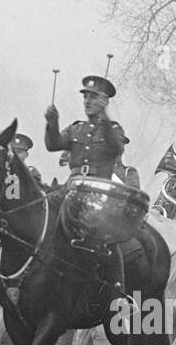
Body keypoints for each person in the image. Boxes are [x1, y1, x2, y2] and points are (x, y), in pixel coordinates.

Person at [44, 75, 129, 306]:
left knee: (104, 234)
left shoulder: (113, 129)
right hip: (72, 188)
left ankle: (117, 287)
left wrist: (104, 119)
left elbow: (116, 148)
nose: (87, 101)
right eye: (85, 96)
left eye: (93, 97)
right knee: (40, 212)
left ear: (104, 101)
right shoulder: (76, 129)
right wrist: (52, 122)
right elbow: (52, 145)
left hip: (99, 192)